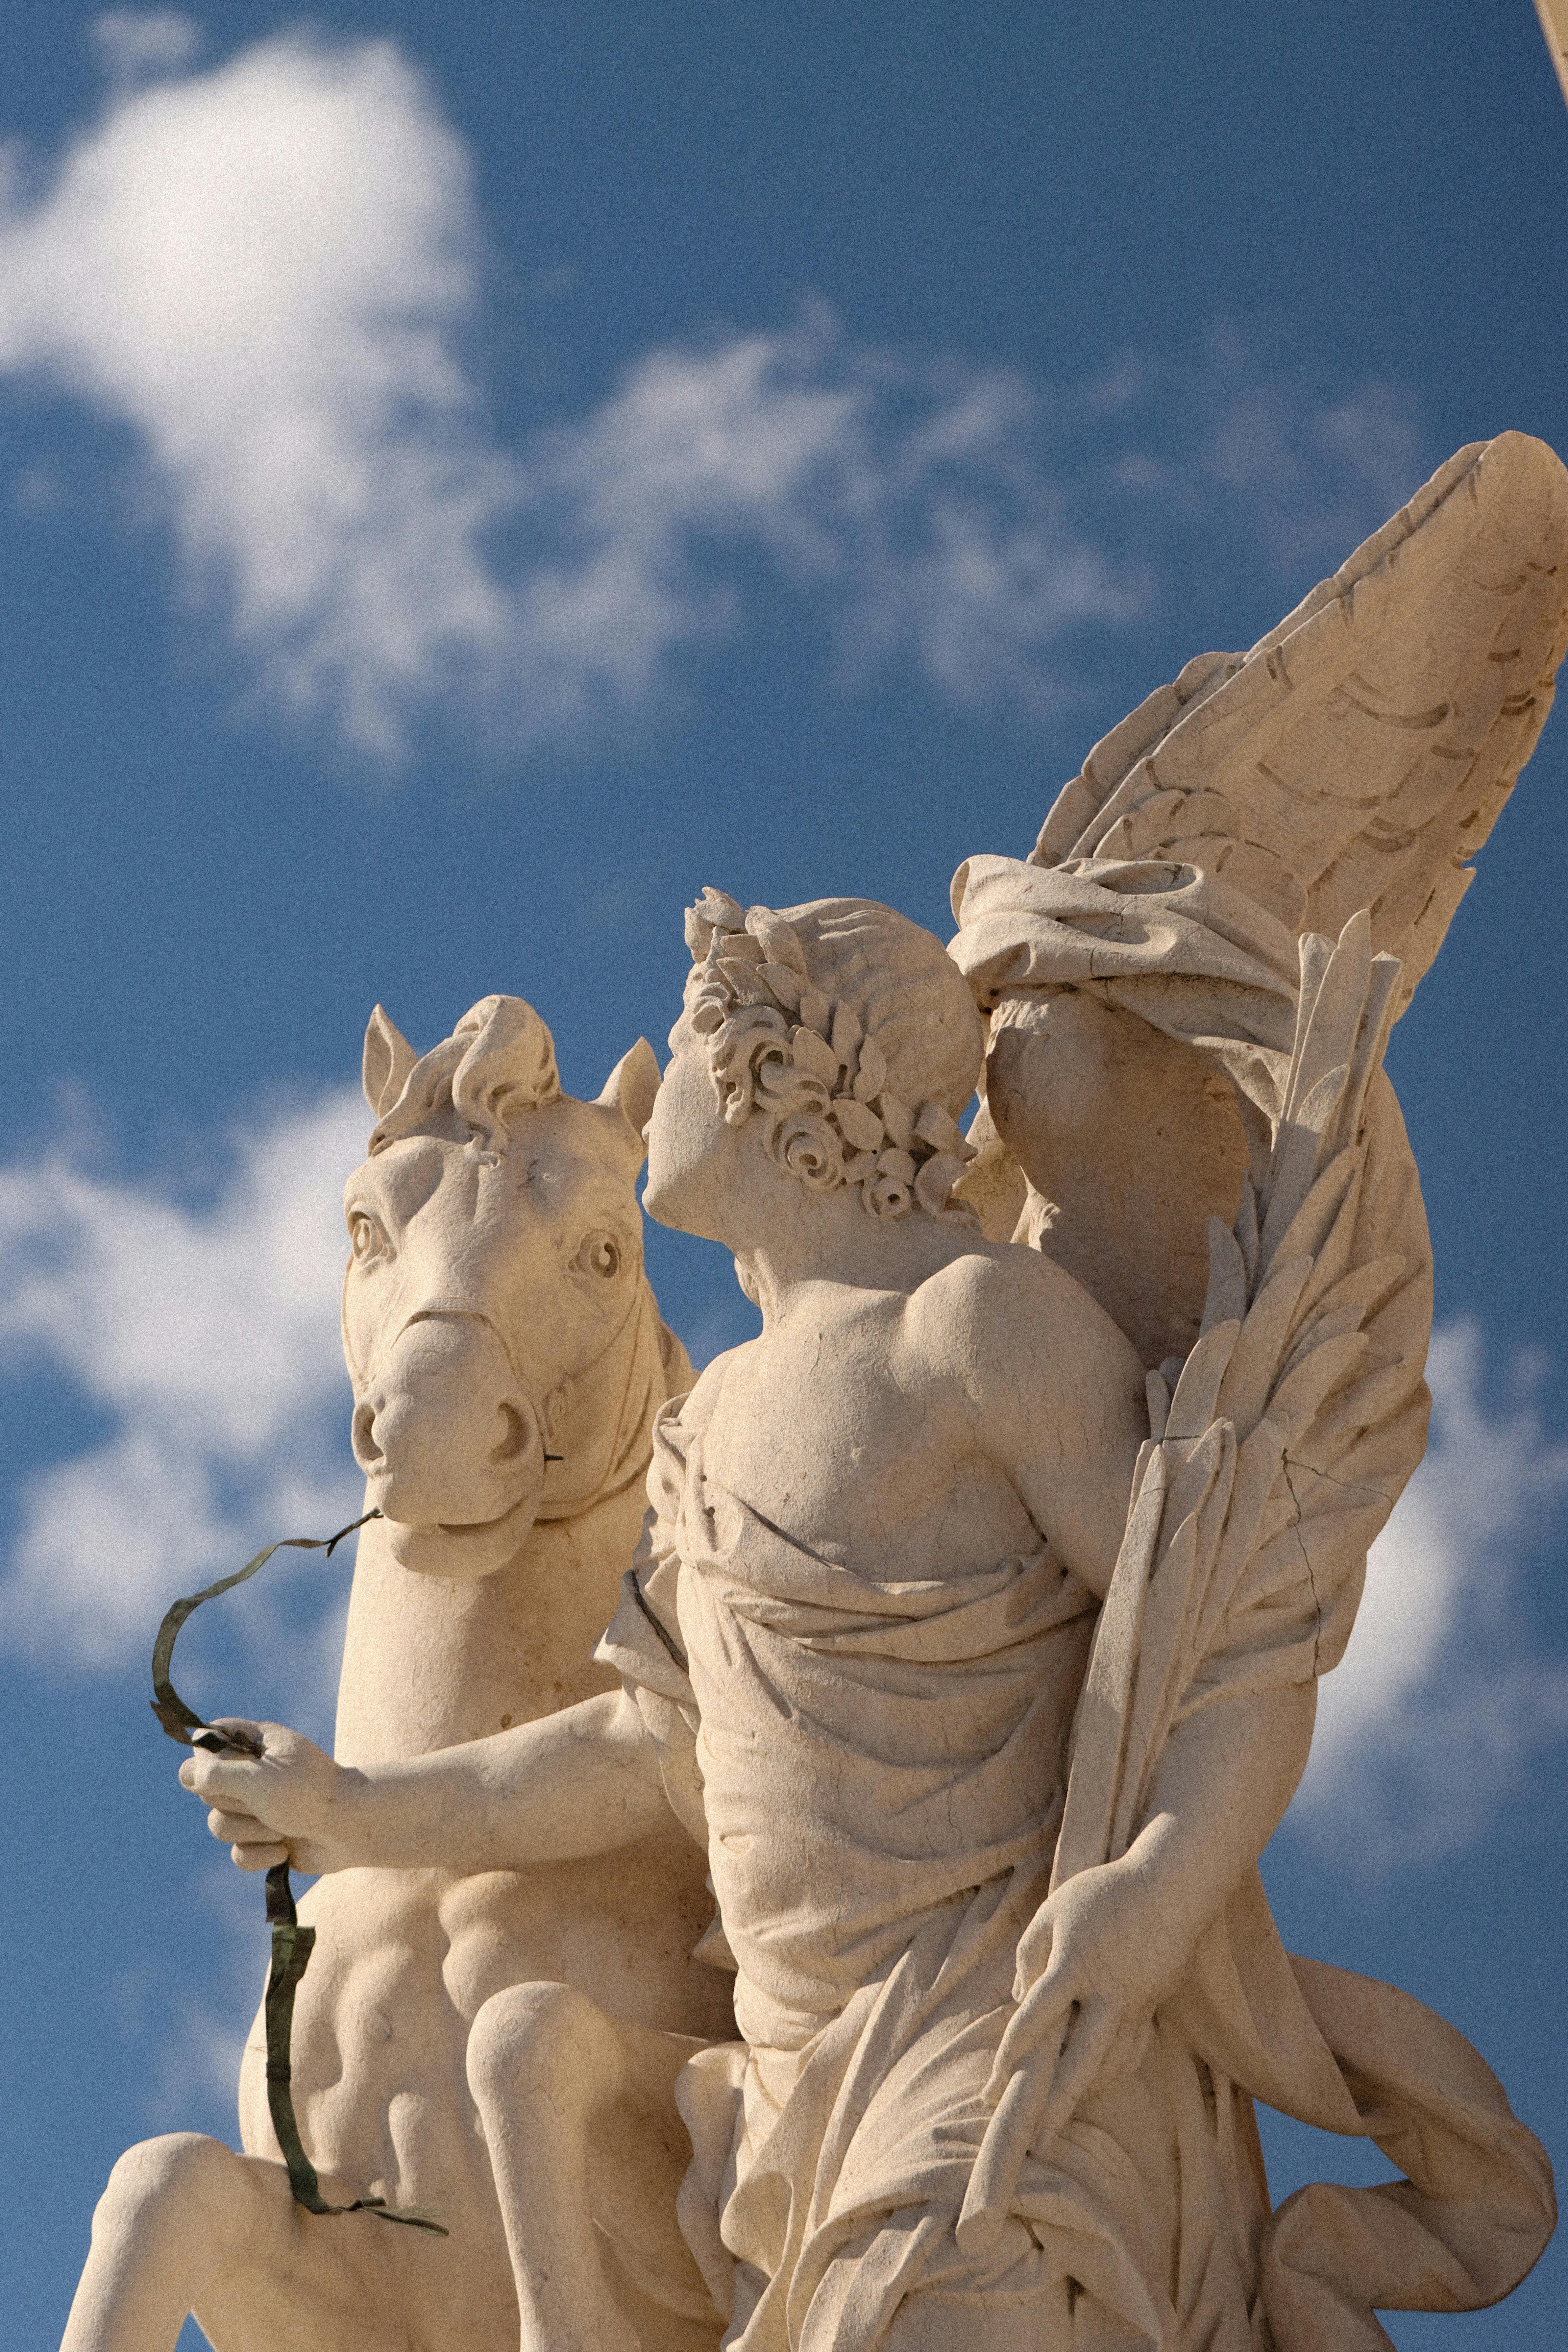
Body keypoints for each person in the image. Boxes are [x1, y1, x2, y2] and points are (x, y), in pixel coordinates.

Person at [183, 891, 1325, 2350]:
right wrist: (352, 1807)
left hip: (983, 2048)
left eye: (695, 1033)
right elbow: (651, 1749)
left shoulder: (974, 1326)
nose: (655, 1078)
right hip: (790, 2099)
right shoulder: (708, 1423)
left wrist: (1162, 1886)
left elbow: (1225, 1643)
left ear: (782, 1087)